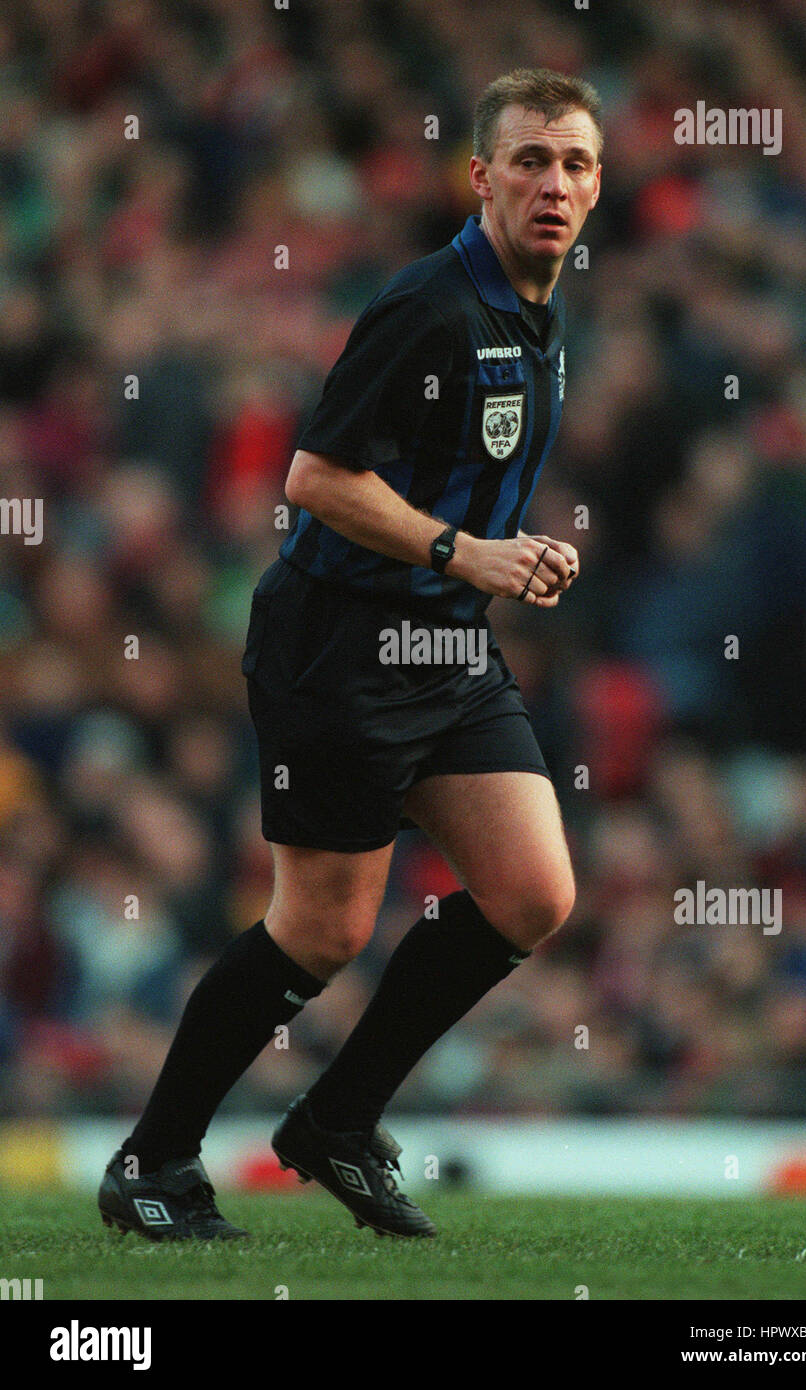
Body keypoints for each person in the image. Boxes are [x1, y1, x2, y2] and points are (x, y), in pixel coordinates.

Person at [98, 67, 602, 1241]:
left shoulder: (542, 311)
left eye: (574, 163)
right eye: (528, 160)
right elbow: (313, 479)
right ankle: (154, 1161)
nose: (553, 184)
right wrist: (461, 552)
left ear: (596, 188)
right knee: (320, 929)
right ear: (479, 177)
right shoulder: (427, 305)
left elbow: (455, 484)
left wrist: (513, 554)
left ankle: (335, 1122)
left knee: (532, 893)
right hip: (339, 646)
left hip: (447, 648)